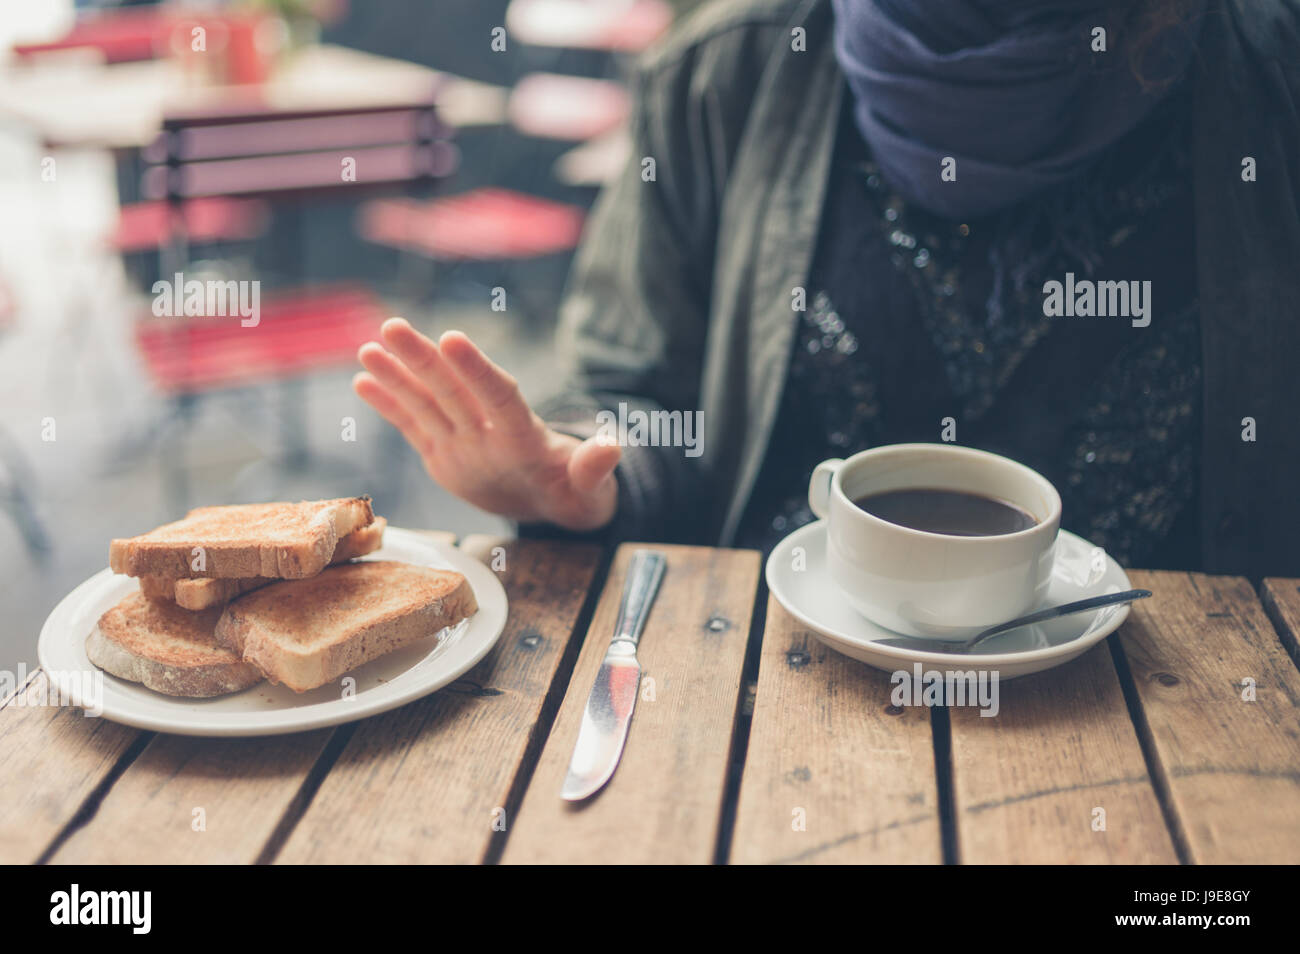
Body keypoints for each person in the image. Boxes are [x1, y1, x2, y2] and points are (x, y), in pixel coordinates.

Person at [355, 0, 1300, 581]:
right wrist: (579, 480)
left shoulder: (1270, 70)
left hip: (1176, 713)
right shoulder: (723, 73)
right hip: (780, 700)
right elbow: (633, 399)